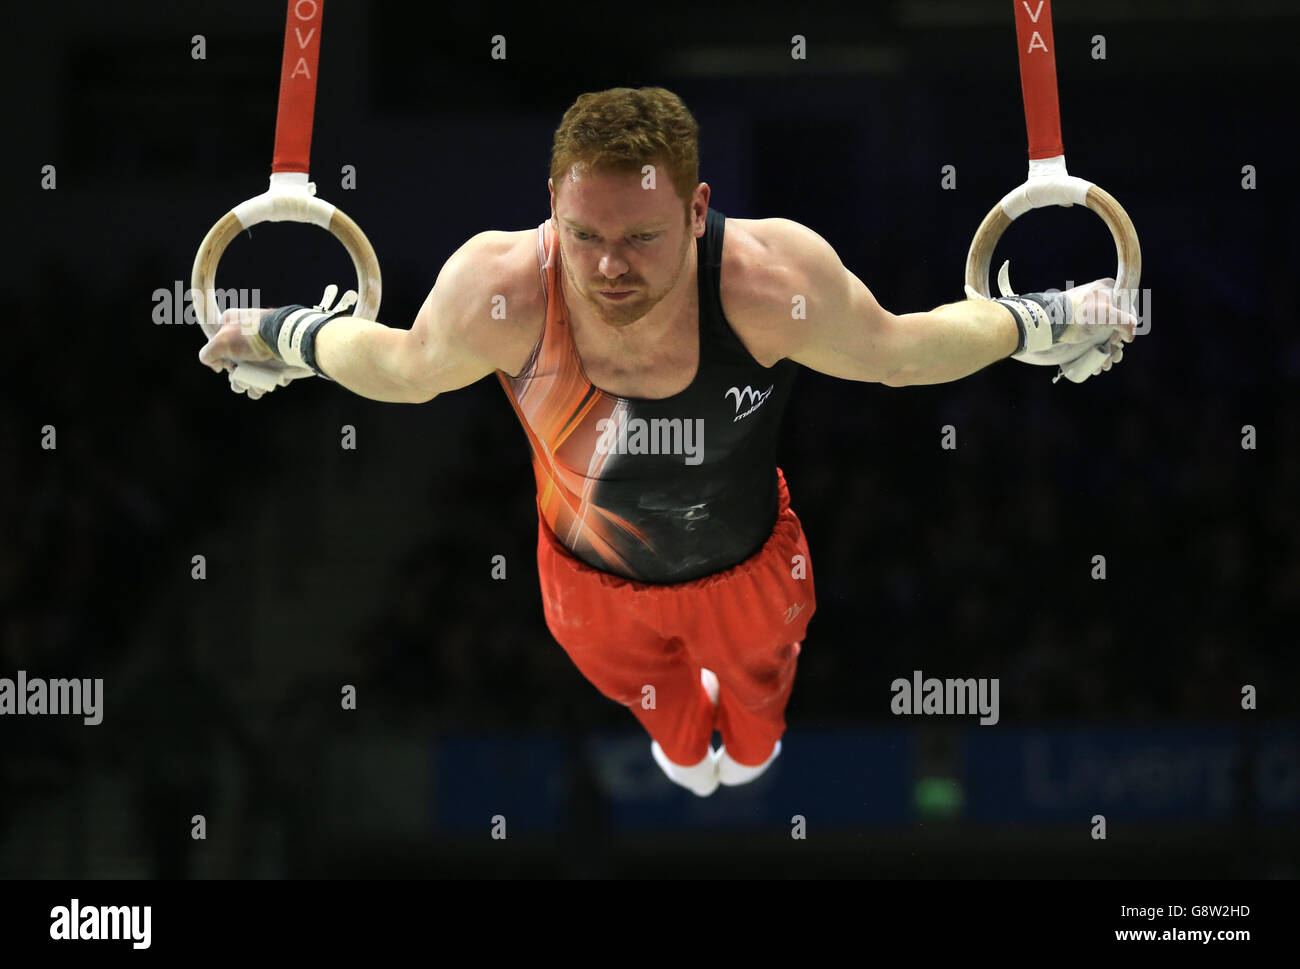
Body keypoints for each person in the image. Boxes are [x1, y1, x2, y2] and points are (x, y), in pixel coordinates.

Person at [200, 86, 1136, 797]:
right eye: (585, 234)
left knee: (757, 716)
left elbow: (898, 351)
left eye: (641, 236)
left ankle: (750, 741)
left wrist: (1043, 317)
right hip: (587, 589)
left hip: (751, 572)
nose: (608, 265)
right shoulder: (504, 289)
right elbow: (401, 368)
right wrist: (286, 335)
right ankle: (686, 741)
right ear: (553, 208)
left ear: (697, 209)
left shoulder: (765, 281)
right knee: (674, 730)